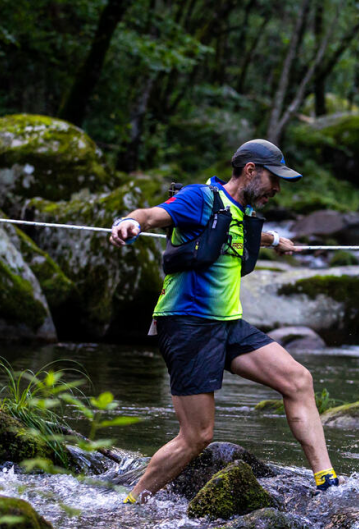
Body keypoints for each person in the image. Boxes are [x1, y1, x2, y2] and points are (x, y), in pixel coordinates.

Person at [109, 139, 340, 504]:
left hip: (227, 325)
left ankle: (328, 484)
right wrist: (128, 223)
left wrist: (276, 239)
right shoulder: (199, 199)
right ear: (250, 170)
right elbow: (151, 215)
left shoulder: (241, 210)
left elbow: (240, 236)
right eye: (273, 179)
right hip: (187, 325)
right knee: (197, 437)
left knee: (298, 380)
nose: (277, 189)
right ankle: (130, 504)